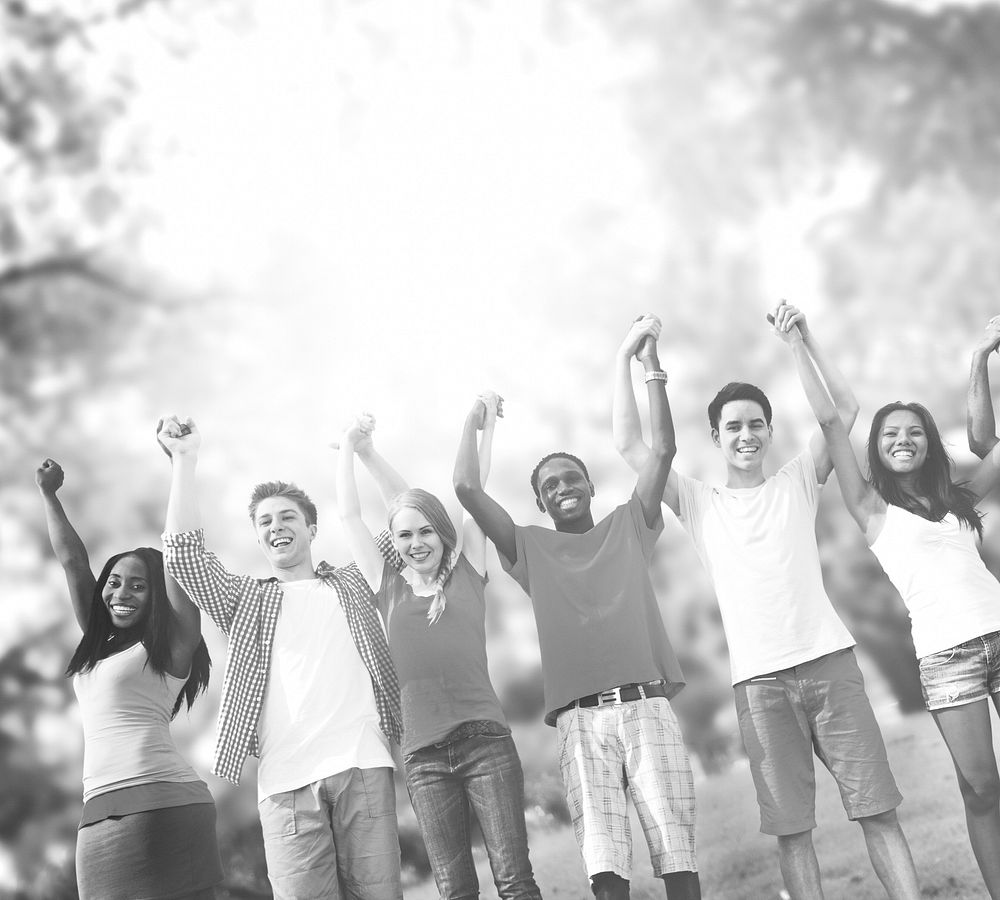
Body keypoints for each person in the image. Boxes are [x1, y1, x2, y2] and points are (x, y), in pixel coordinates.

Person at [613, 303, 921, 900]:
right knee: (793, 832)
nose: (747, 435)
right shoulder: (699, 503)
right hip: (760, 686)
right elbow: (631, 442)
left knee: (878, 812)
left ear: (769, 430)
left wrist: (799, 341)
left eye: (756, 423)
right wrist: (635, 360)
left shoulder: (799, 481)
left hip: (831, 666)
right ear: (715, 437)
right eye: (734, 426)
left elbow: (845, 412)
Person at [455, 316, 700, 900]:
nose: (561, 487)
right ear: (540, 501)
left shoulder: (629, 526)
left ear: (590, 486)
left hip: (647, 707)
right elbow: (466, 488)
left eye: (572, 478)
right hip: (580, 720)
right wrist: (476, 416)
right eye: (548, 486)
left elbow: (662, 448)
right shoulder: (530, 550)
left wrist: (650, 367)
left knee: (676, 853)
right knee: (604, 862)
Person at [787, 311, 1000, 899]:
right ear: (878, 450)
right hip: (947, 657)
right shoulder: (872, 509)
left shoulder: (960, 498)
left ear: (929, 442)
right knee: (981, 788)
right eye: (889, 434)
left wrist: (980, 358)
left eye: (914, 432)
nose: (902, 440)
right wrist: (799, 341)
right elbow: (831, 417)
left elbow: (993, 443)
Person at [157, 416, 406, 900]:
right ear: (258, 539)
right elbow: (184, 554)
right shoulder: (245, 600)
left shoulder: (355, 580)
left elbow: (411, 520)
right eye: (265, 521)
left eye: (288, 516)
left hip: (362, 765)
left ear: (311, 528)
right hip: (285, 786)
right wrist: (184, 461)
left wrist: (368, 454)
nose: (277, 526)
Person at [335, 397, 542, 900]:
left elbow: (475, 489)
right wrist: (350, 447)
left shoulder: (469, 570)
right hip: (424, 757)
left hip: (486, 744)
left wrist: (481, 428)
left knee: (514, 880)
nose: (415, 542)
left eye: (426, 530)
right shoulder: (387, 583)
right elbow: (348, 513)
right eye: (404, 535)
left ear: (443, 533)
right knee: (454, 889)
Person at [35, 458, 220, 900]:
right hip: (98, 812)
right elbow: (74, 564)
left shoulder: (172, 642)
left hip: (165, 804)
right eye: (114, 582)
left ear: (158, 595)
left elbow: (180, 556)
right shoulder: (99, 646)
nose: (120, 593)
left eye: (138, 586)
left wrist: (181, 464)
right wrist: (48, 495)